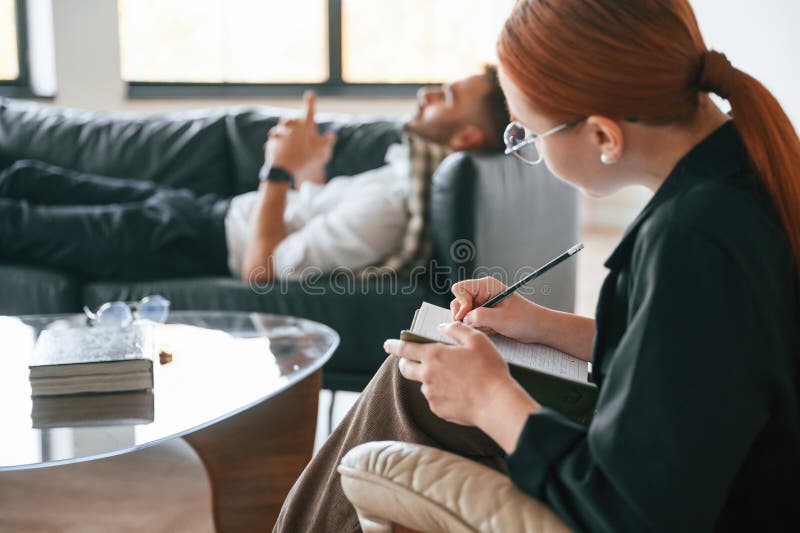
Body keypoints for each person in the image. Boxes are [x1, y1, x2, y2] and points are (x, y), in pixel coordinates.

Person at [274, 0, 800, 531]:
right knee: (419, 376)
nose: (527, 149)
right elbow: (694, 365)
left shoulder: (694, 238)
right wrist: (543, 326)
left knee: (413, 383)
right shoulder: (741, 174)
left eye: (527, 134)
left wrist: (491, 398)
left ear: (602, 136)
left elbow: (634, 507)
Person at [0, 67, 508, 282]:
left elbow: (261, 271)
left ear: (465, 137)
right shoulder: (399, 173)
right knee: (25, 176)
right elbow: (308, 217)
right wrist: (310, 171)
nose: (426, 94)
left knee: (19, 224)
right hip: (195, 211)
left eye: (446, 97)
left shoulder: (389, 211)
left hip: (187, 241)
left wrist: (279, 171)